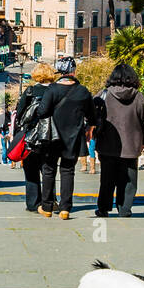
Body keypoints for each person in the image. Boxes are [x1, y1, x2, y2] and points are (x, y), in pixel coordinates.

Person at [36, 56, 96, 220]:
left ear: (59, 72)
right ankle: (65, 208)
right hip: (74, 136)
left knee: (48, 170)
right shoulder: (83, 91)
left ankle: (47, 207)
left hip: (52, 136)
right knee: (68, 171)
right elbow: (92, 115)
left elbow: (42, 112)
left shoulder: (52, 90)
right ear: (73, 71)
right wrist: (89, 128)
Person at [94, 62, 144, 218]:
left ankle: (103, 208)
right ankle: (125, 208)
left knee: (107, 179)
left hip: (107, 144)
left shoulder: (104, 94)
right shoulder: (139, 97)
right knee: (128, 181)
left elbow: (93, 115)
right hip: (131, 146)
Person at [14, 63, 57, 212]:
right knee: (48, 170)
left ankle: (32, 203)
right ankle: (49, 201)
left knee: (31, 171)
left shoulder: (30, 91)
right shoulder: (56, 91)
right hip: (51, 136)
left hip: (31, 137)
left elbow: (19, 113)